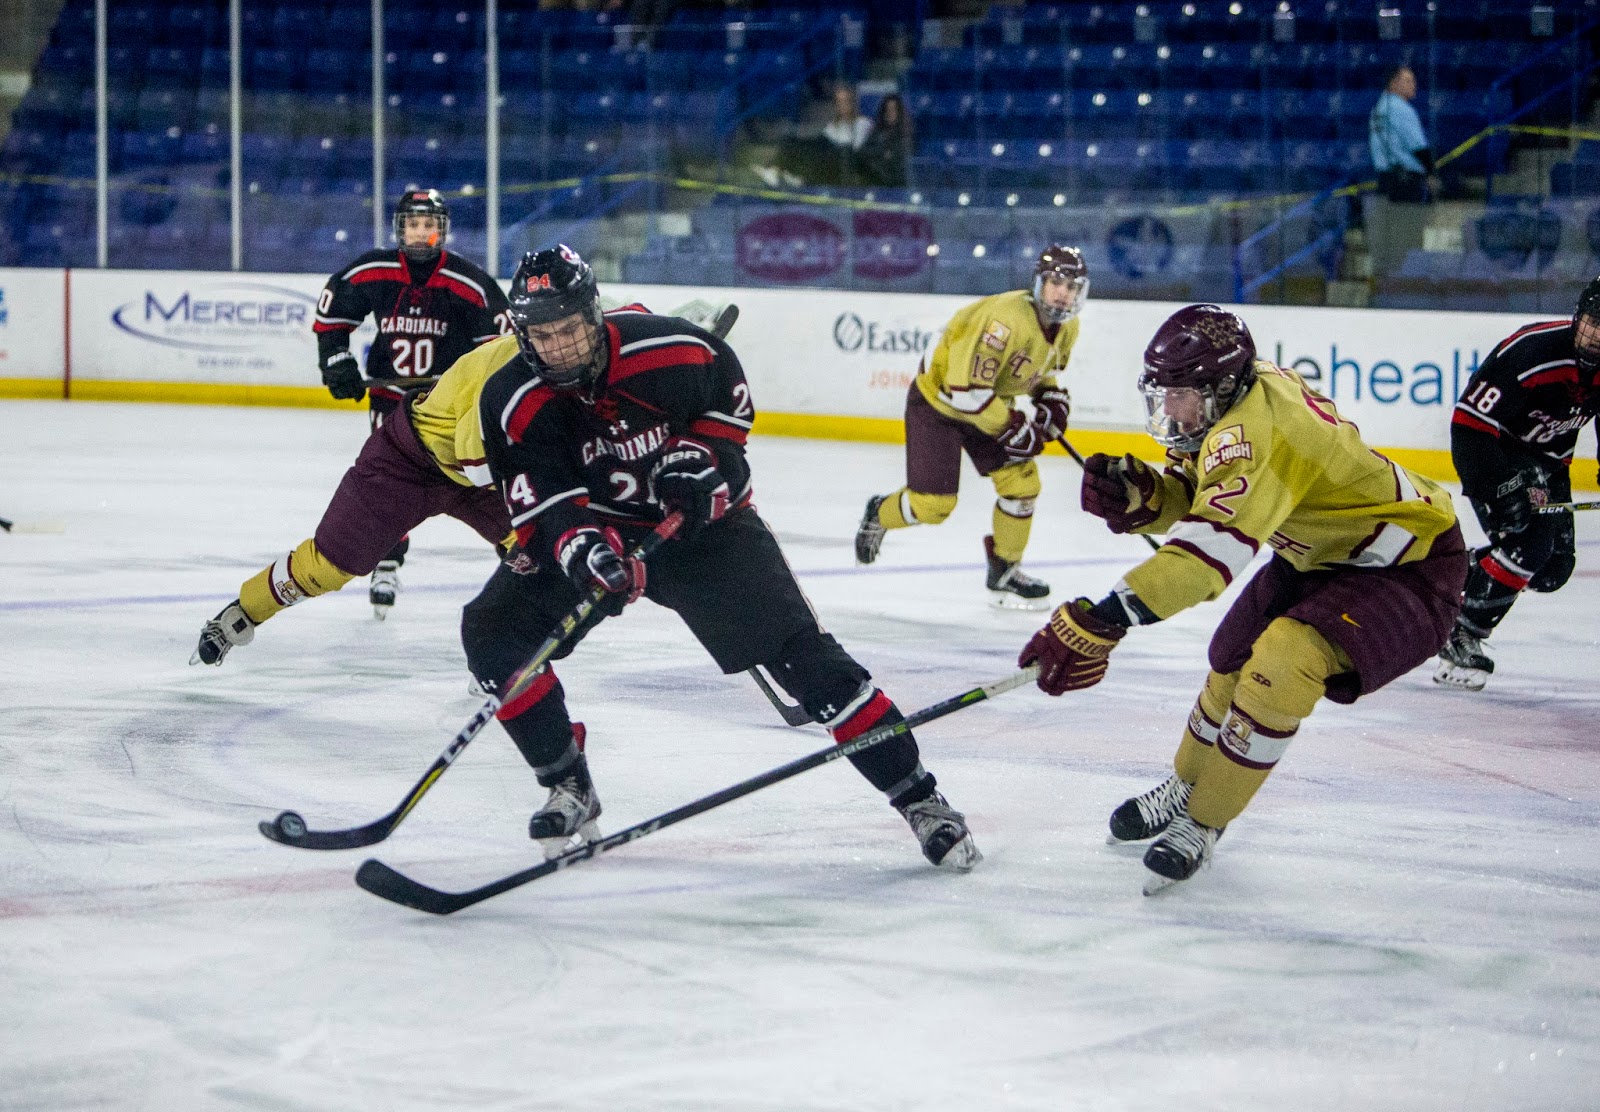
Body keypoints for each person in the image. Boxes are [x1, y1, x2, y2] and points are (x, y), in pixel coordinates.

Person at [463, 245, 981, 871]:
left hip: (701, 533)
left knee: (809, 663)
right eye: (542, 335)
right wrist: (583, 549)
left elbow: (728, 427)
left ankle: (921, 799)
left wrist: (704, 463)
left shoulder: (675, 349)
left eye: (569, 329)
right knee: (494, 632)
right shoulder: (511, 397)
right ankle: (567, 782)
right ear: (521, 333)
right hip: (601, 528)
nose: (559, 348)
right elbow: (544, 503)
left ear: (593, 314)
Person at [1019, 305, 1467, 893]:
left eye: (1182, 396)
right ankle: (1186, 785)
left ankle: (1205, 819)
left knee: (1282, 662)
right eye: (1163, 394)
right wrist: (1148, 496)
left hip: (1411, 567)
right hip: (1321, 554)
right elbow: (1211, 494)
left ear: (1221, 388)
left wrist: (1107, 616)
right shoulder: (1236, 400)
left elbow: (1208, 555)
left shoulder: (1258, 431)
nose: (1171, 410)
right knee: (1230, 657)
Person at [191, 289, 740, 667]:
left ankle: (509, 664)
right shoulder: (507, 387)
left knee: (549, 559)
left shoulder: (589, 338)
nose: (564, 345)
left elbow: (644, 327)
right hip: (411, 463)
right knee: (330, 565)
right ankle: (241, 613)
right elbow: (490, 468)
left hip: (480, 468)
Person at [312, 188, 513, 618]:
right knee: (390, 483)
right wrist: (336, 360)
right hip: (391, 404)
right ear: (399, 229)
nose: (421, 233)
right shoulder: (375, 269)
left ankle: (521, 550)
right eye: (413, 224)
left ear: (443, 231)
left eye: (429, 225)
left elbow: (501, 348)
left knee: (481, 481)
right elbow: (332, 314)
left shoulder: (469, 282)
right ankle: (386, 561)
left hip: (448, 407)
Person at [855, 245, 1087, 609]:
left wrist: (1050, 399)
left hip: (987, 405)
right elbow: (965, 392)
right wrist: (1013, 427)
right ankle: (879, 512)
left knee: (1022, 486)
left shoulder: (1068, 328)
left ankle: (1005, 570)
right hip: (940, 405)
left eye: (1072, 286)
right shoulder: (1003, 321)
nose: (1063, 293)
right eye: (1056, 282)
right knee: (933, 506)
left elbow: (1039, 373)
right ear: (1038, 283)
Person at [1433, 277, 1600, 691]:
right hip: (1496, 453)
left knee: (1552, 570)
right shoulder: (1533, 351)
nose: (1596, 336)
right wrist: (1498, 486)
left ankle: (1448, 571)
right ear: (1577, 316)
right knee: (1530, 542)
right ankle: (1461, 633)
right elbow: (1468, 424)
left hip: (1550, 463)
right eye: (1593, 322)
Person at [1368, 64, 1435, 204]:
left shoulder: (1378, 108)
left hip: (1384, 178)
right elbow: (1418, 147)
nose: (1414, 85)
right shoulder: (1401, 109)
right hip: (1406, 181)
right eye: (1408, 81)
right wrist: (1431, 172)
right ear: (1393, 83)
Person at [858, 92, 913, 189]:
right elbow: (863, 151)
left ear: (899, 112)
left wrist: (881, 154)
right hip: (875, 179)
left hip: (898, 183)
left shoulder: (906, 133)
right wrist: (882, 153)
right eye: (887, 109)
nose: (890, 113)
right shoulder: (876, 131)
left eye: (893, 109)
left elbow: (899, 156)